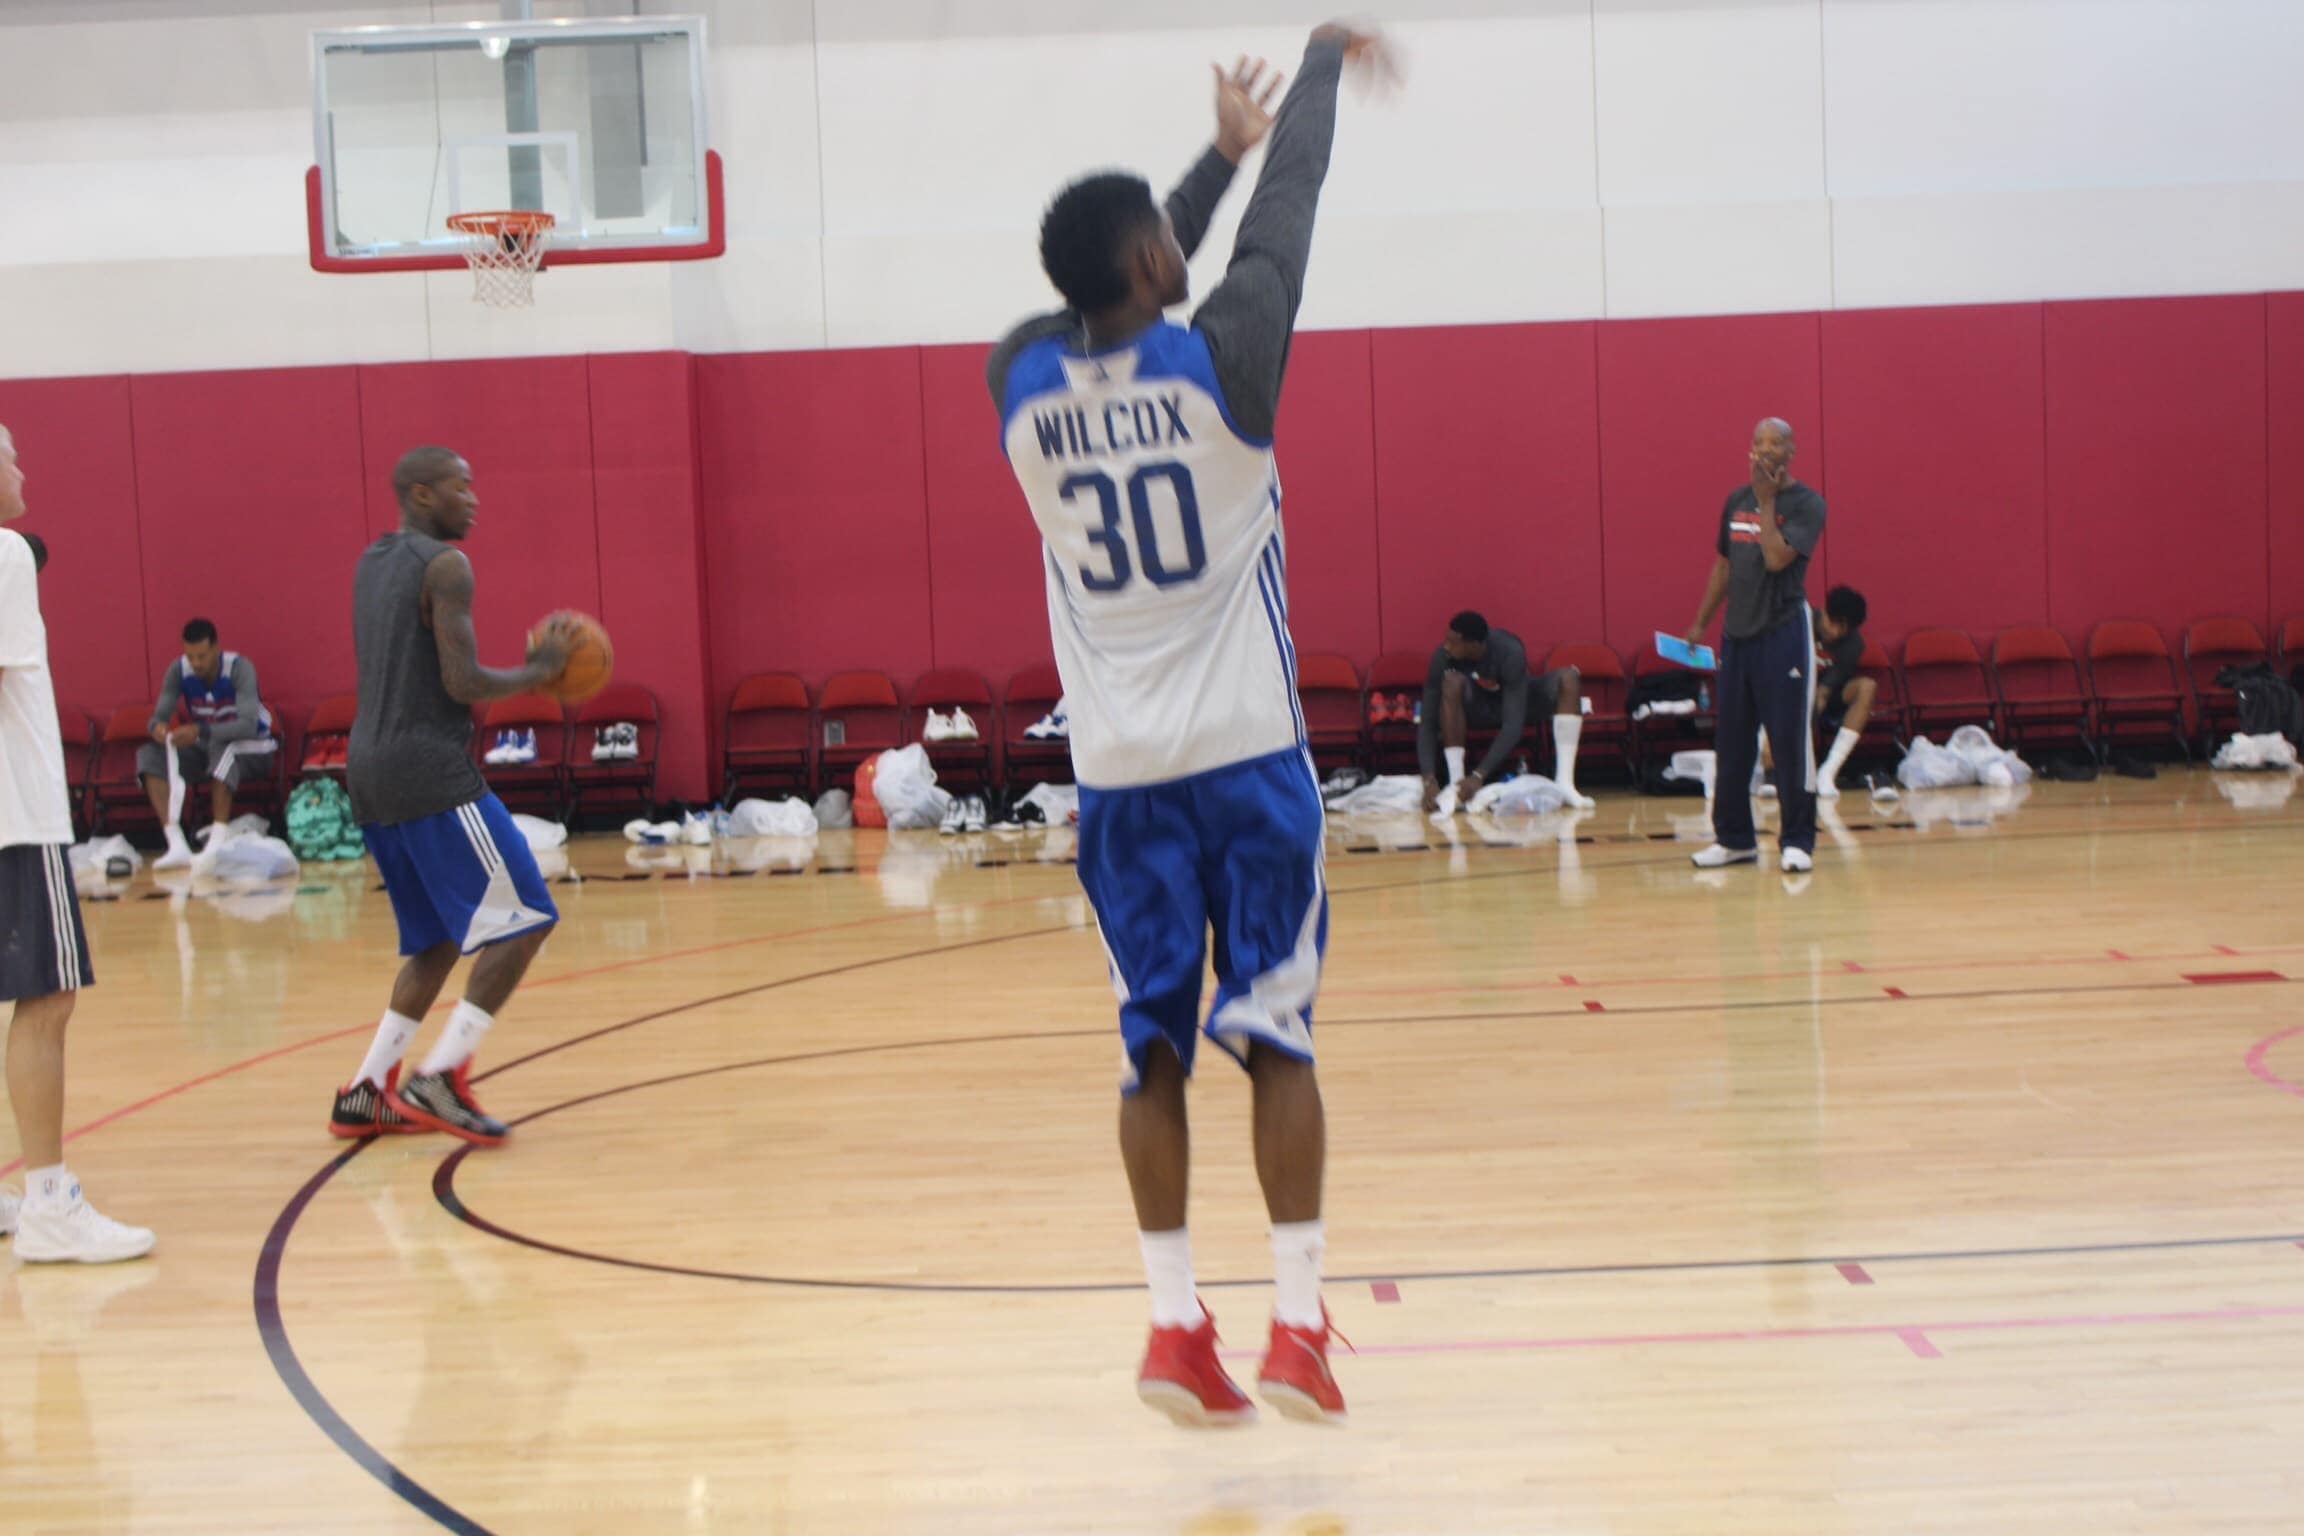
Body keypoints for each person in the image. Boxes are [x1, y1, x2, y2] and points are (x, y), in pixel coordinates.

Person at [987, 24, 1391, 1428]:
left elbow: (1105, 286)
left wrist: (1198, 170)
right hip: (1249, 759)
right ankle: (1295, 1330)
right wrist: (1319, 68)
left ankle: (1173, 1330)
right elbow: (1297, 199)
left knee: (1147, 1048)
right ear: (1158, 268)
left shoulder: (1018, 383)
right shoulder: (1233, 360)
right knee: (1276, 1041)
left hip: (1119, 778)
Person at [326, 446, 580, 1147]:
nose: (474, 499)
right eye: (459, 487)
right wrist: (540, 672)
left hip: (369, 773)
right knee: (525, 918)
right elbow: (463, 682)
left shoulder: (373, 561)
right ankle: (441, 1075)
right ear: (420, 493)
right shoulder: (447, 566)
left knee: (437, 941)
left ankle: (366, 1091)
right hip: (428, 771)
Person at [0, 422, 155, 1263]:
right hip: (16, 818)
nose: (23, 466)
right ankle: (50, 1201)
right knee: (49, 1001)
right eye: (11, 454)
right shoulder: (7, 554)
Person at [1682, 418, 1827, 872]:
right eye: (1758, 442)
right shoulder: (1734, 501)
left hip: (1783, 633)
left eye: (1775, 443)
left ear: (1792, 451)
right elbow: (1724, 566)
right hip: (1737, 637)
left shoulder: (1807, 504)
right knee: (1733, 744)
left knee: (1788, 742)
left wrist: (1767, 502)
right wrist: (1700, 622)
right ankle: (1734, 839)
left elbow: (1776, 557)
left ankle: (1798, 840)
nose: (1766, 450)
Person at [1416, 611, 1594, 813]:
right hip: (1475, 709)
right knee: (1451, 682)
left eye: (1453, 642)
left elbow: (1513, 726)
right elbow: (1428, 722)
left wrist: (1478, 776)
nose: (1446, 646)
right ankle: (1456, 783)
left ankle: (1565, 783)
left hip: (1515, 706)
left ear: (1474, 645)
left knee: (1568, 678)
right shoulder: (1442, 657)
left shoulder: (1509, 651)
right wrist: (1428, 779)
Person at [139, 618, 276, 868]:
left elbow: (247, 725)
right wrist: (158, 729)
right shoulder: (178, 670)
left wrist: (199, 730)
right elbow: (157, 717)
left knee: (224, 749)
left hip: (255, 745)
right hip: (209, 743)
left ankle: (216, 842)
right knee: (150, 755)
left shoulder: (240, 668)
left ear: (216, 648)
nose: (196, 663)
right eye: (190, 657)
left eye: (202, 656)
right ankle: (176, 842)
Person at [1756, 583, 1875, 799]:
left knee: (1867, 687)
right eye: (1833, 623)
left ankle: (1828, 771)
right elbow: (1775, 679)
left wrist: (1816, 703)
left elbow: (1824, 691)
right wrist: (1768, 735)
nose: (1836, 632)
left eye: (1843, 629)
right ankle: (1772, 771)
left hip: (1825, 696)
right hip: (1789, 690)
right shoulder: (1798, 626)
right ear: (1824, 611)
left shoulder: (1854, 644)